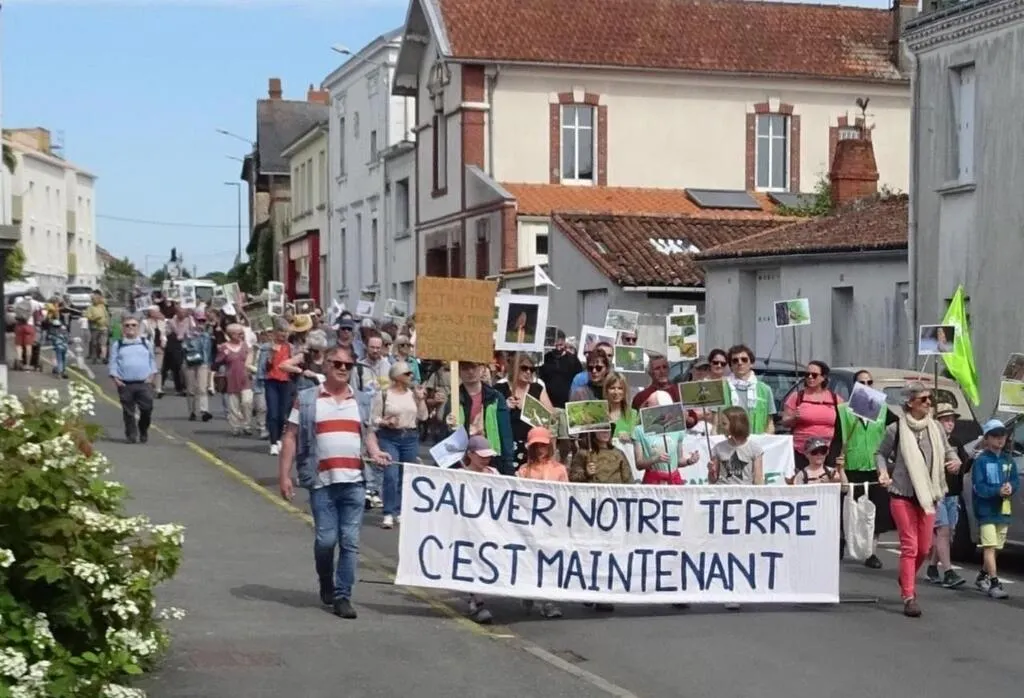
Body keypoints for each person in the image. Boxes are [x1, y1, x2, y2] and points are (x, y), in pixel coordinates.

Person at [278, 345, 391, 620]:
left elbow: (367, 435)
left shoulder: (362, 400)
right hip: (322, 481)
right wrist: (284, 474)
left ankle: (343, 596)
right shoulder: (306, 399)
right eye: (337, 364)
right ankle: (326, 581)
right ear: (325, 366)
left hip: (354, 481)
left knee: (350, 542)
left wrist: (375, 452)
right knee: (326, 540)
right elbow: (291, 435)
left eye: (348, 365)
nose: (343, 369)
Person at [874, 381, 960, 618]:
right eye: (923, 399)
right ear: (910, 402)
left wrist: (955, 462)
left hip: (928, 495)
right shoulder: (896, 429)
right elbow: (880, 454)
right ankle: (909, 596)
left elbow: (949, 450)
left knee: (924, 547)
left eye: (929, 399)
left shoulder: (936, 428)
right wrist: (882, 471)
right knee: (910, 545)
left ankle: (907, 574)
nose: (928, 403)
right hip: (902, 493)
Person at [838, 369, 893, 569]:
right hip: (852, 467)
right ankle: (843, 540)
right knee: (848, 511)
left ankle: (871, 553)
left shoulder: (883, 408)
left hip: (874, 468)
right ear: (854, 386)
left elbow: (896, 430)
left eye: (870, 383)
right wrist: (837, 467)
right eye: (862, 383)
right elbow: (837, 438)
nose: (867, 387)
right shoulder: (843, 410)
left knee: (875, 514)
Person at [370, 361, 428, 529]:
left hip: (409, 436)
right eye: (407, 374)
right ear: (397, 376)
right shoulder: (384, 394)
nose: (411, 377)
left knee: (406, 476)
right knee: (391, 475)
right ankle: (388, 512)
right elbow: (374, 418)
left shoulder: (412, 394)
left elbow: (423, 417)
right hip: (390, 437)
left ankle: (401, 510)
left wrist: (420, 399)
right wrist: (385, 422)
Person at [517, 427, 567, 619]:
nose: (540, 449)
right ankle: (528, 592)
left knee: (551, 560)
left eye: (544, 445)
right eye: (536, 445)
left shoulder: (559, 469)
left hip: (552, 524)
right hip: (531, 523)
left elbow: (567, 497)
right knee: (531, 559)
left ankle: (549, 600)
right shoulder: (523, 471)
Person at [970, 419, 1019, 600]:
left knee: (997, 547)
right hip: (986, 511)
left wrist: (1010, 488)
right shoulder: (981, 461)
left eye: (1003, 436)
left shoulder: (1009, 460)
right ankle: (995, 582)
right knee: (989, 547)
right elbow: (979, 487)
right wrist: (996, 491)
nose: (1000, 439)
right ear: (987, 438)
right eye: (995, 436)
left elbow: (1015, 481)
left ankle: (983, 575)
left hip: (1003, 511)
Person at [441, 361, 515, 475]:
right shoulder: (454, 399)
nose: (470, 371)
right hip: (462, 459)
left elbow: (505, 432)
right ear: (459, 371)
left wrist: (508, 463)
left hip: (491, 458)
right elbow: (444, 433)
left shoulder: (496, 397)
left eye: (474, 367)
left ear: (481, 369)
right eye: (465, 368)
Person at [781, 360, 842, 469]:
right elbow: (785, 422)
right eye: (807, 374)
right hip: (801, 452)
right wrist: (794, 417)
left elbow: (846, 419)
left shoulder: (835, 398)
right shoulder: (797, 397)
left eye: (814, 375)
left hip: (827, 451)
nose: (810, 377)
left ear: (823, 377)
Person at [496, 353, 554, 467]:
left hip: (533, 445)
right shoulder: (500, 389)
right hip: (508, 444)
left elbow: (551, 416)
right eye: (524, 368)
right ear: (514, 368)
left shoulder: (537, 389)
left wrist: (529, 408)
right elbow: (490, 416)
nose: (528, 372)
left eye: (532, 369)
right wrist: (504, 407)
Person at [108, 315, 157, 444]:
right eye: (127, 325)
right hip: (125, 383)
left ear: (138, 327)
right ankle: (131, 435)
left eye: (133, 325)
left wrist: (152, 376)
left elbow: (152, 360)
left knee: (147, 409)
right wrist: (116, 379)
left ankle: (143, 430)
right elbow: (113, 362)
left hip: (144, 383)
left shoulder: (145, 343)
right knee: (128, 412)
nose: (130, 327)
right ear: (123, 328)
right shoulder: (117, 344)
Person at [632, 391, 700, 485]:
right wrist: (655, 459)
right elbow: (639, 464)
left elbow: (679, 461)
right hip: (653, 481)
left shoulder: (677, 429)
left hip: (674, 480)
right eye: (659, 409)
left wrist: (689, 461)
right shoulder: (639, 431)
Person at [722, 344, 776, 435]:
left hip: (756, 442)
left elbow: (770, 423)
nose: (740, 363)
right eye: (735, 360)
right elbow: (714, 424)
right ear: (730, 366)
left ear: (751, 363)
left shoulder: (765, 389)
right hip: (729, 442)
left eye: (744, 359)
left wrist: (765, 440)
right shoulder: (722, 388)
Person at [709, 407, 765, 486]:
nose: (721, 426)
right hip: (723, 493)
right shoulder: (718, 448)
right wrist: (711, 472)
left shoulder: (755, 448)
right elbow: (712, 480)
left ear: (736, 424)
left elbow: (758, 480)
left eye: (724, 424)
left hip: (745, 494)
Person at [217, 323, 254, 436]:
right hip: (231, 378)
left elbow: (250, 359)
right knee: (234, 405)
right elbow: (217, 362)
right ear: (231, 334)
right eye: (239, 333)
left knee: (247, 402)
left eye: (242, 333)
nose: (242, 335)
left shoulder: (245, 346)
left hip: (245, 378)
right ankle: (235, 426)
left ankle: (246, 425)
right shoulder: (224, 347)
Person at [265, 321, 295, 456]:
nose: (283, 338)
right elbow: (266, 366)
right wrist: (271, 354)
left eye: (285, 335)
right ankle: (273, 442)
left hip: (286, 382)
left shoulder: (290, 347)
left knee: (283, 414)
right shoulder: (269, 347)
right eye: (281, 335)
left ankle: (278, 438)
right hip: (272, 381)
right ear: (276, 334)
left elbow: (293, 363)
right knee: (273, 413)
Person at [539, 330, 583, 409]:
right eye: (556, 345)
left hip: (568, 404)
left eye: (561, 345)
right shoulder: (545, 358)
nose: (558, 348)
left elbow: (580, 380)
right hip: (548, 404)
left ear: (564, 343)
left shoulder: (573, 359)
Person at [183, 311, 214, 423]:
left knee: (202, 387)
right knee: (191, 388)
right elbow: (185, 346)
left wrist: (209, 364)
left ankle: (204, 410)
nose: (201, 323)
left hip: (203, 363)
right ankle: (192, 411)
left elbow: (209, 350)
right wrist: (193, 339)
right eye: (199, 320)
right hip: (190, 362)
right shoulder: (189, 334)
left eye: (203, 320)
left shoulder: (206, 335)